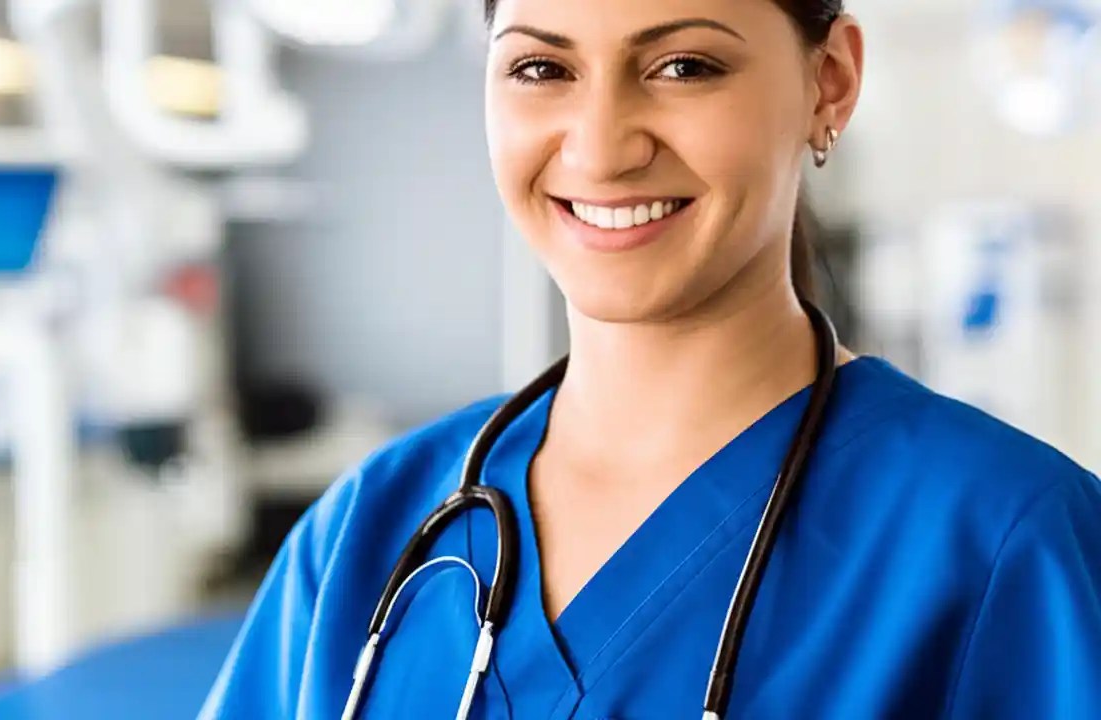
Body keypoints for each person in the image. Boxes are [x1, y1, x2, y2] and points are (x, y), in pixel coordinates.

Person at [200, 0, 1101, 717]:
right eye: (541, 69)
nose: (601, 148)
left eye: (684, 67)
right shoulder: (371, 530)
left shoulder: (1003, 538)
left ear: (828, 81)